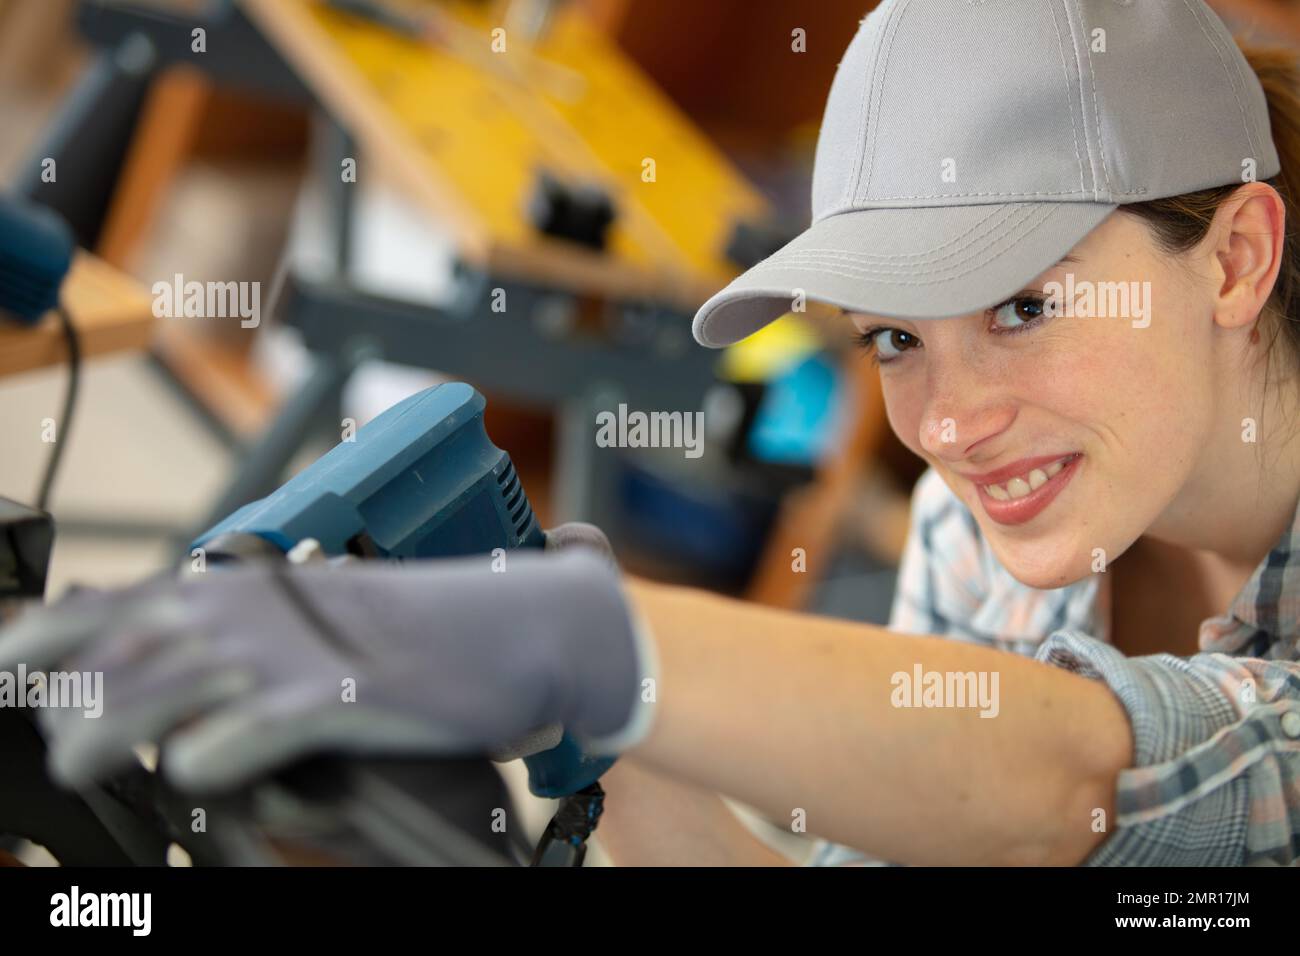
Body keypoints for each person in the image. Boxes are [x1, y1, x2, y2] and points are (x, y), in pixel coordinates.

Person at [4, 0, 1299, 866]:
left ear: (1236, 260)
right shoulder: (984, 526)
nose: (947, 427)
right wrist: (632, 742)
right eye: (894, 336)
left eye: (1024, 304)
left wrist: (599, 646)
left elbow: (1068, 778)